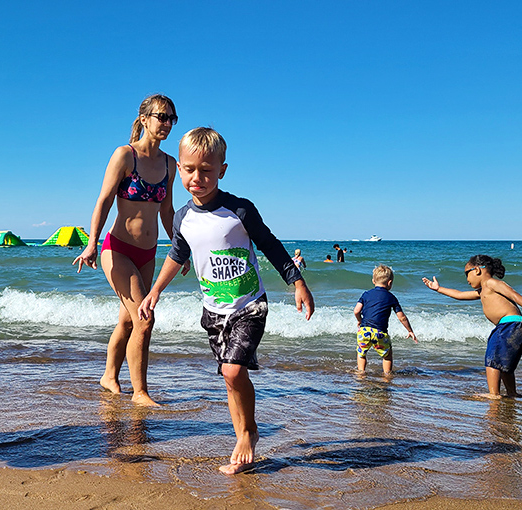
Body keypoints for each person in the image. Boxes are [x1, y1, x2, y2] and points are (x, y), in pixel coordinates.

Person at [138, 127, 315, 474]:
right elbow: (177, 253)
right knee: (230, 379)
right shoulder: (182, 217)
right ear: (180, 169)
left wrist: (297, 282)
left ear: (222, 169)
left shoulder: (240, 210)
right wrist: (155, 290)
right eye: (189, 169)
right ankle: (243, 437)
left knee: (234, 370)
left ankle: (248, 434)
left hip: (250, 305)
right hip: (213, 311)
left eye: (206, 170)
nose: (197, 178)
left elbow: (270, 245)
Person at [73, 94, 186, 407]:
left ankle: (109, 376)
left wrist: (180, 247)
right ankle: (140, 393)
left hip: (147, 254)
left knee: (127, 321)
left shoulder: (168, 164)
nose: (166, 124)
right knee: (144, 319)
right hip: (118, 249)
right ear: (145, 118)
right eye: (161, 116)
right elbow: (104, 200)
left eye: (171, 118)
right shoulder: (125, 156)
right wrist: (91, 242)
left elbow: (167, 210)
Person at [423, 255, 522, 398]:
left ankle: (494, 394)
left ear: (477, 270)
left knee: (492, 357)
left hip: (509, 324)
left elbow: (516, 296)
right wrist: (438, 289)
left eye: (466, 274)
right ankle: (512, 393)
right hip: (513, 326)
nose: (467, 280)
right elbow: (460, 295)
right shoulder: (483, 290)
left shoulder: (492, 283)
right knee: (506, 364)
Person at [354, 264, 417, 374]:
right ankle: (387, 375)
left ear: (373, 281)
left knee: (361, 353)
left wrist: (359, 320)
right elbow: (402, 317)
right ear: (390, 283)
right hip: (380, 332)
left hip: (364, 331)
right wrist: (410, 330)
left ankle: (361, 373)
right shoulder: (391, 297)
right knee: (387, 355)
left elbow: (356, 311)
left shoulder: (366, 294)